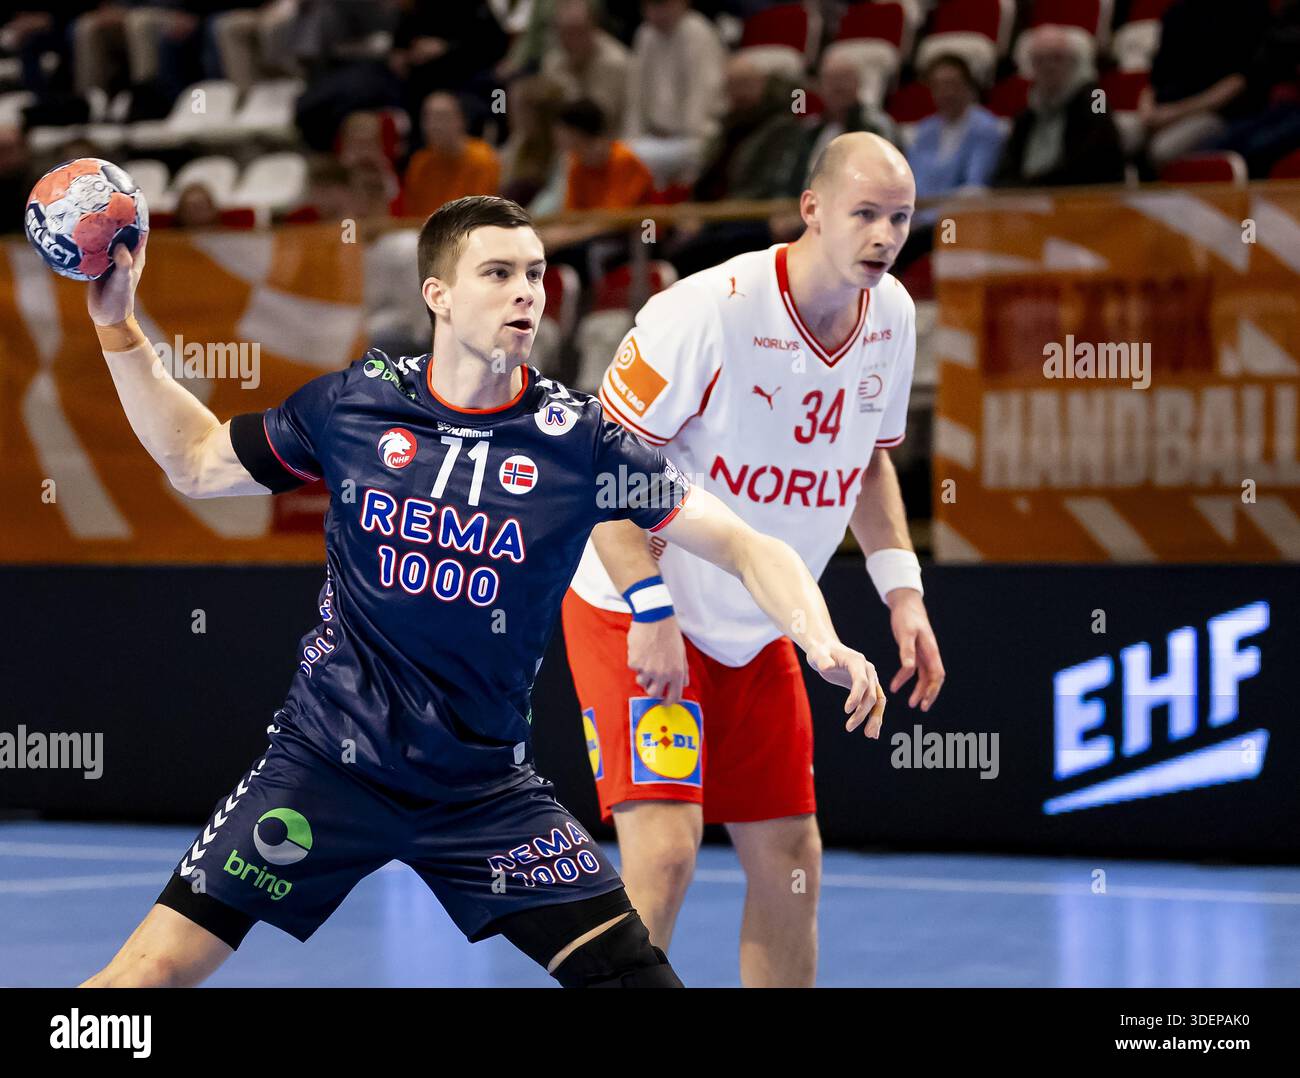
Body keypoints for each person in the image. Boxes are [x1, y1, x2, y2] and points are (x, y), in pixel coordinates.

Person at [78, 194, 886, 988]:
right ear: (438, 294)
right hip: (326, 766)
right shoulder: (354, 406)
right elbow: (194, 460)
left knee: (634, 974)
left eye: (534, 273)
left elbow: (744, 544)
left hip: (484, 794)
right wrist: (118, 327)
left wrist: (821, 637)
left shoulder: (581, 443)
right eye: (497, 273)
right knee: (147, 976)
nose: (526, 292)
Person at [562, 132, 945, 987]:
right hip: (634, 605)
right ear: (812, 210)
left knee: (791, 858)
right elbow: (601, 469)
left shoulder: (893, 317)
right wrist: (651, 608)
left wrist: (902, 594)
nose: (885, 236)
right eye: (865, 215)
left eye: (901, 219)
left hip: (760, 621)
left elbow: (868, 456)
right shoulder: (709, 310)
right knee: (664, 853)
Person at [990, 25, 1125, 188]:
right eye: (1040, 60)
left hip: (1080, 195)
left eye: (1057, 58)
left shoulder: (1097, 97)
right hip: (1029, 197)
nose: (1048, 66)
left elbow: (1100, 155)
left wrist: (1036, 184)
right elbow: (1007, 167)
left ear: (1073, 62)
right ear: (1031, 66)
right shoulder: (1026, 115)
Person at [400, 92, 501, 218]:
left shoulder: (481, 159)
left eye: (442, 117)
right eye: (428, 118)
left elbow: (482, 214)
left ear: (460, 120)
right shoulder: (420, 163)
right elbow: (411, 216)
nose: (434, 126)